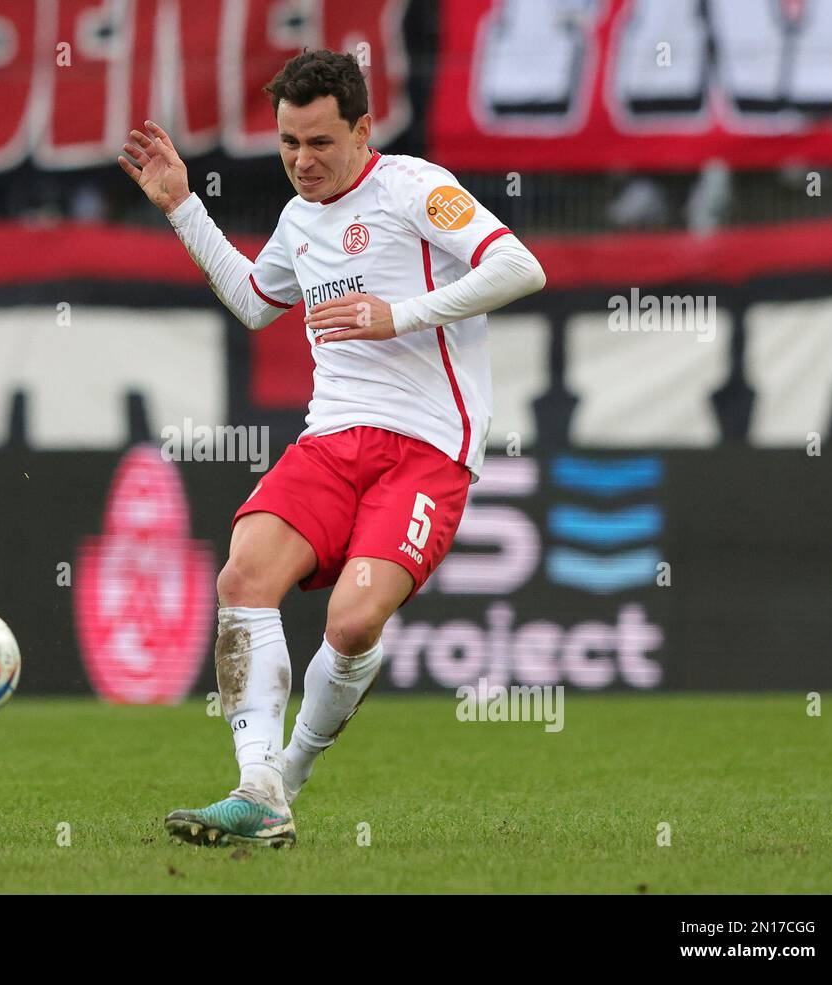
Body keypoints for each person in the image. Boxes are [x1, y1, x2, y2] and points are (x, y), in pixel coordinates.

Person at [118, 49, 546, 847]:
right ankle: (255, 788)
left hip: (427, 448)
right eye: (288, 144)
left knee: (351, 626)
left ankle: (288, 774)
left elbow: (520, 267)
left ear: (362, 129)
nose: (302, 162)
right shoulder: (298, 220)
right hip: (332, 438)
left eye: (319, 142)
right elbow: (253, 301)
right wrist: (182, 206)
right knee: (243, 574)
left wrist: (401, 315)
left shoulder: (417, 189)